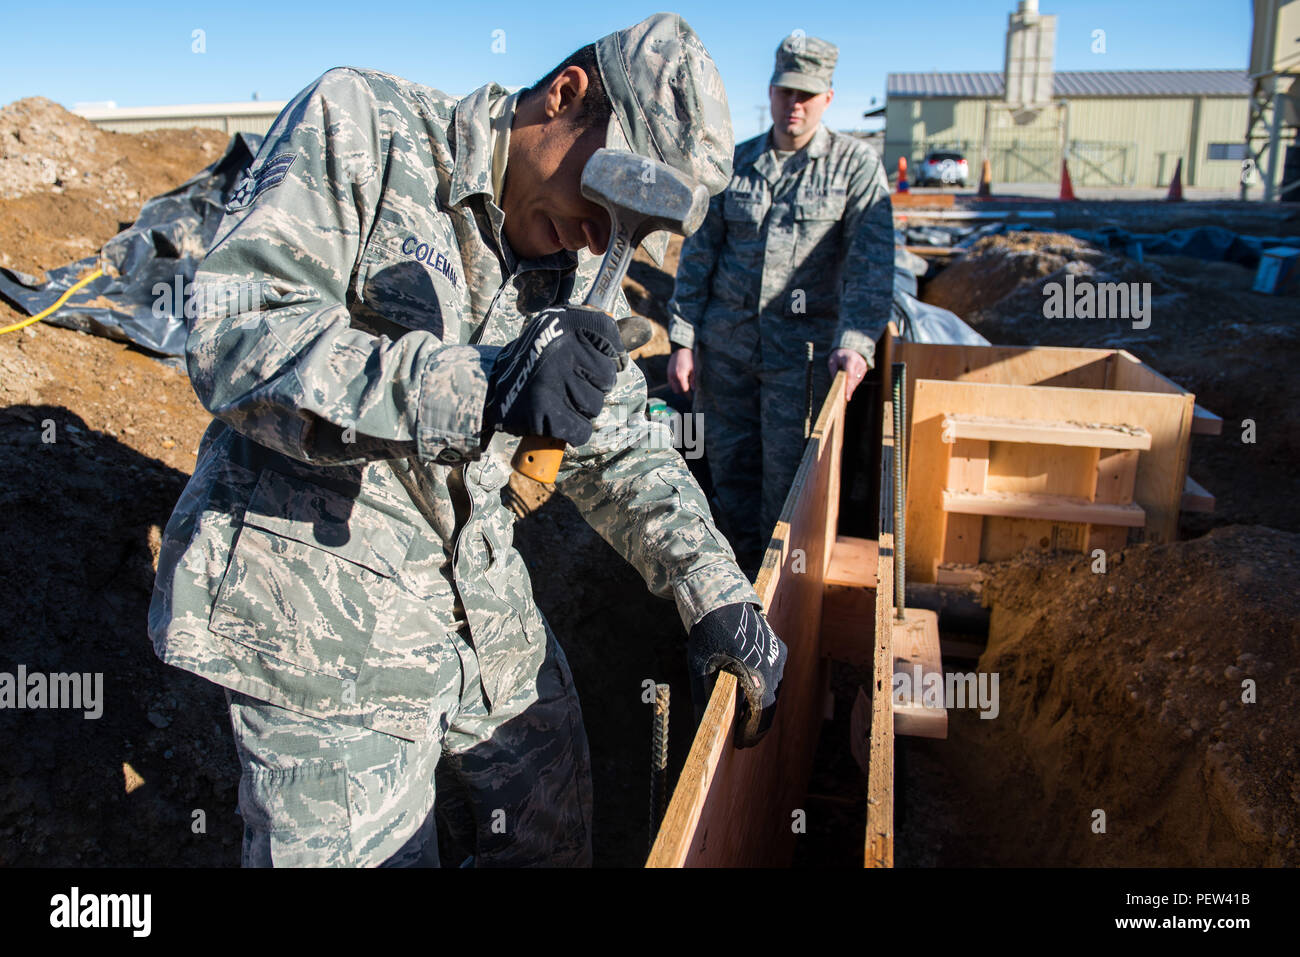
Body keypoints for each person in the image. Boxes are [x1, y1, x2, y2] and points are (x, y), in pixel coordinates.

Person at [148, 13, 787, 868]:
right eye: (609, 191)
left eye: (641, 218)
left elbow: (624, 442)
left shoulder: (581, 260)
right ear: (565, 95)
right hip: (318, 615)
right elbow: (234, 337)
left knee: (551, 824)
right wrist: (481, 383)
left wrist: (716, 591)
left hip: (477, 605)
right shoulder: (363, 124)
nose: (606, 232)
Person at [666, 33, 894, 575]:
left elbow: (871, 264)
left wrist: (857, 342)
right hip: (727, 357)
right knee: (730, 472)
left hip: (803, 363)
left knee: (790, 484)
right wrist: (681, 339)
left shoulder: (854, 168)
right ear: (770, 93)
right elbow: (698, 255)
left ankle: (779, 596)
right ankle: (737, 586)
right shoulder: (734, 166)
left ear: (828, 99)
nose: (795, 105)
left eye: (807, 96)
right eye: (786, 92)